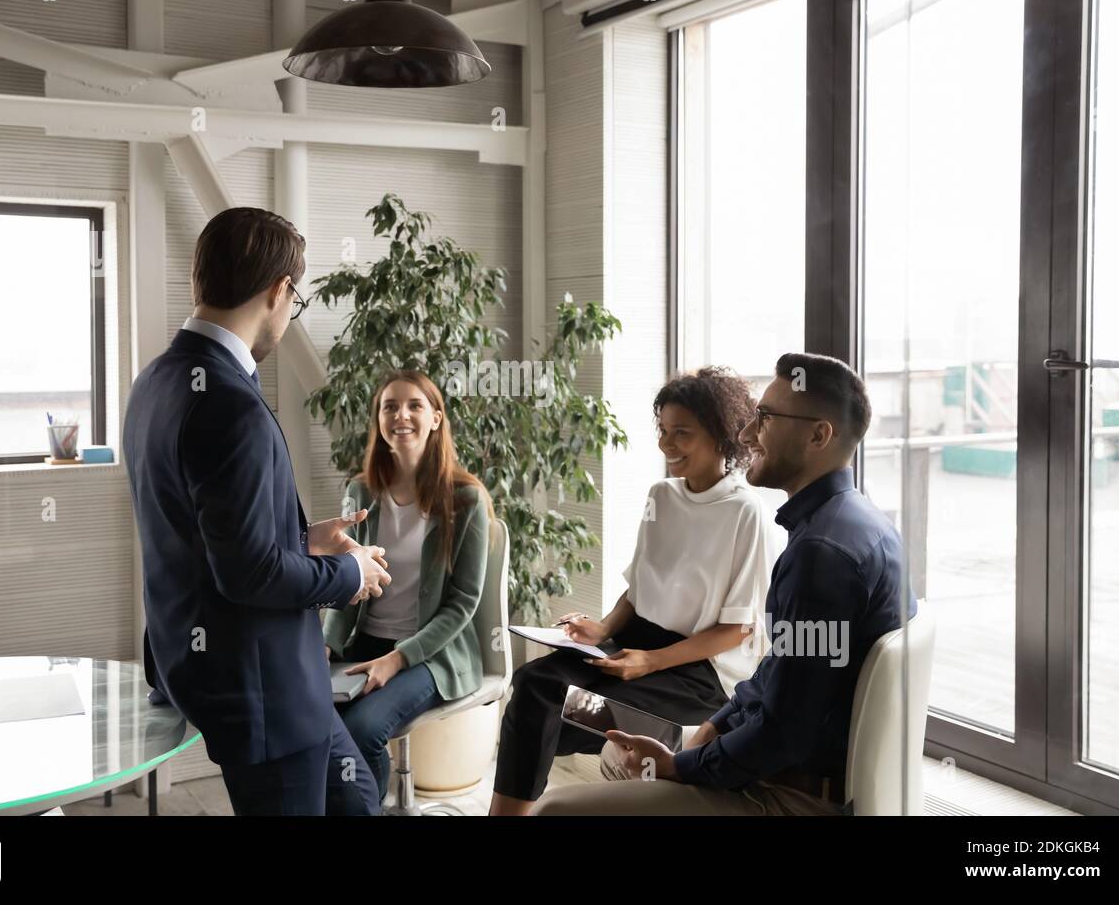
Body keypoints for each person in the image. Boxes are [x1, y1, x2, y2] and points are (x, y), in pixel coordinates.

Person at [532, 352, 918, 816]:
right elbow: (782, 675)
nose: (747, 433)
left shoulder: (822, 555)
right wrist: (715, 728)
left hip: (791, 795)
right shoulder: (855, 525)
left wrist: (683, 766)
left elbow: (783, 732)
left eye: (766, 418)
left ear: (819, 435)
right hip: (789, 773)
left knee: (556, 811)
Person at [123, 207, 391, 816]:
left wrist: (303, 536)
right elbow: (249, 575)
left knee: (359, 801)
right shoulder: (230, 403)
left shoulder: (155, 382)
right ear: (279, 291)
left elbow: (204, 530)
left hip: (236, 674)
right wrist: (351, 576)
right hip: (263, 690)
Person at [489, 366, 780, 815]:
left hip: (697, 670)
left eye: (681, 433)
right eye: (663, 430)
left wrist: (651, 661)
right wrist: (600, 628)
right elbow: (637, 591)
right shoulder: (660, 496)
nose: (667, 444)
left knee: (548, 709)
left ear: (721, 436)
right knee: (531, 684)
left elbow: (738, 630)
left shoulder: (746, 512)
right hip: (633, 645)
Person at [323, 371, 492, 809]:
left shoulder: (465, 499)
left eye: (415, 405)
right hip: (364, 643)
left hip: (430, 655)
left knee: (362, 730)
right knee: (310, 716)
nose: (402, 415)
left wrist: (398, 659)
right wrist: (324, 645)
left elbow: (463, 604)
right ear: (378, 420)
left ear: (436, 418)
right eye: (390, 406)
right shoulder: (360, 491)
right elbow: (347, 579)